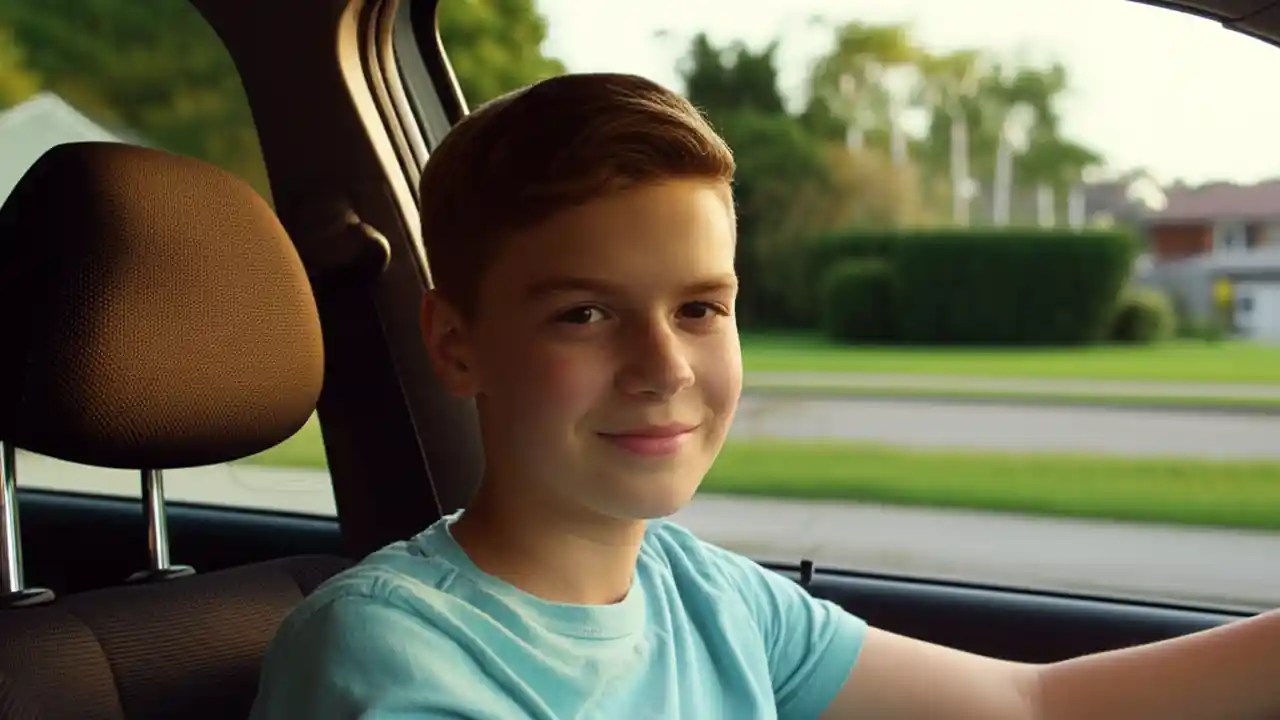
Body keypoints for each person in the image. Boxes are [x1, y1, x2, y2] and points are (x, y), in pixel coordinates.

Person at [249, 72, 1279, 719]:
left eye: (700, 308)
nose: (664, 368)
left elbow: (1030, 701)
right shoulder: (389, 658)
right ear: (457, 344)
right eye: (585, 315)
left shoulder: (699, 593)